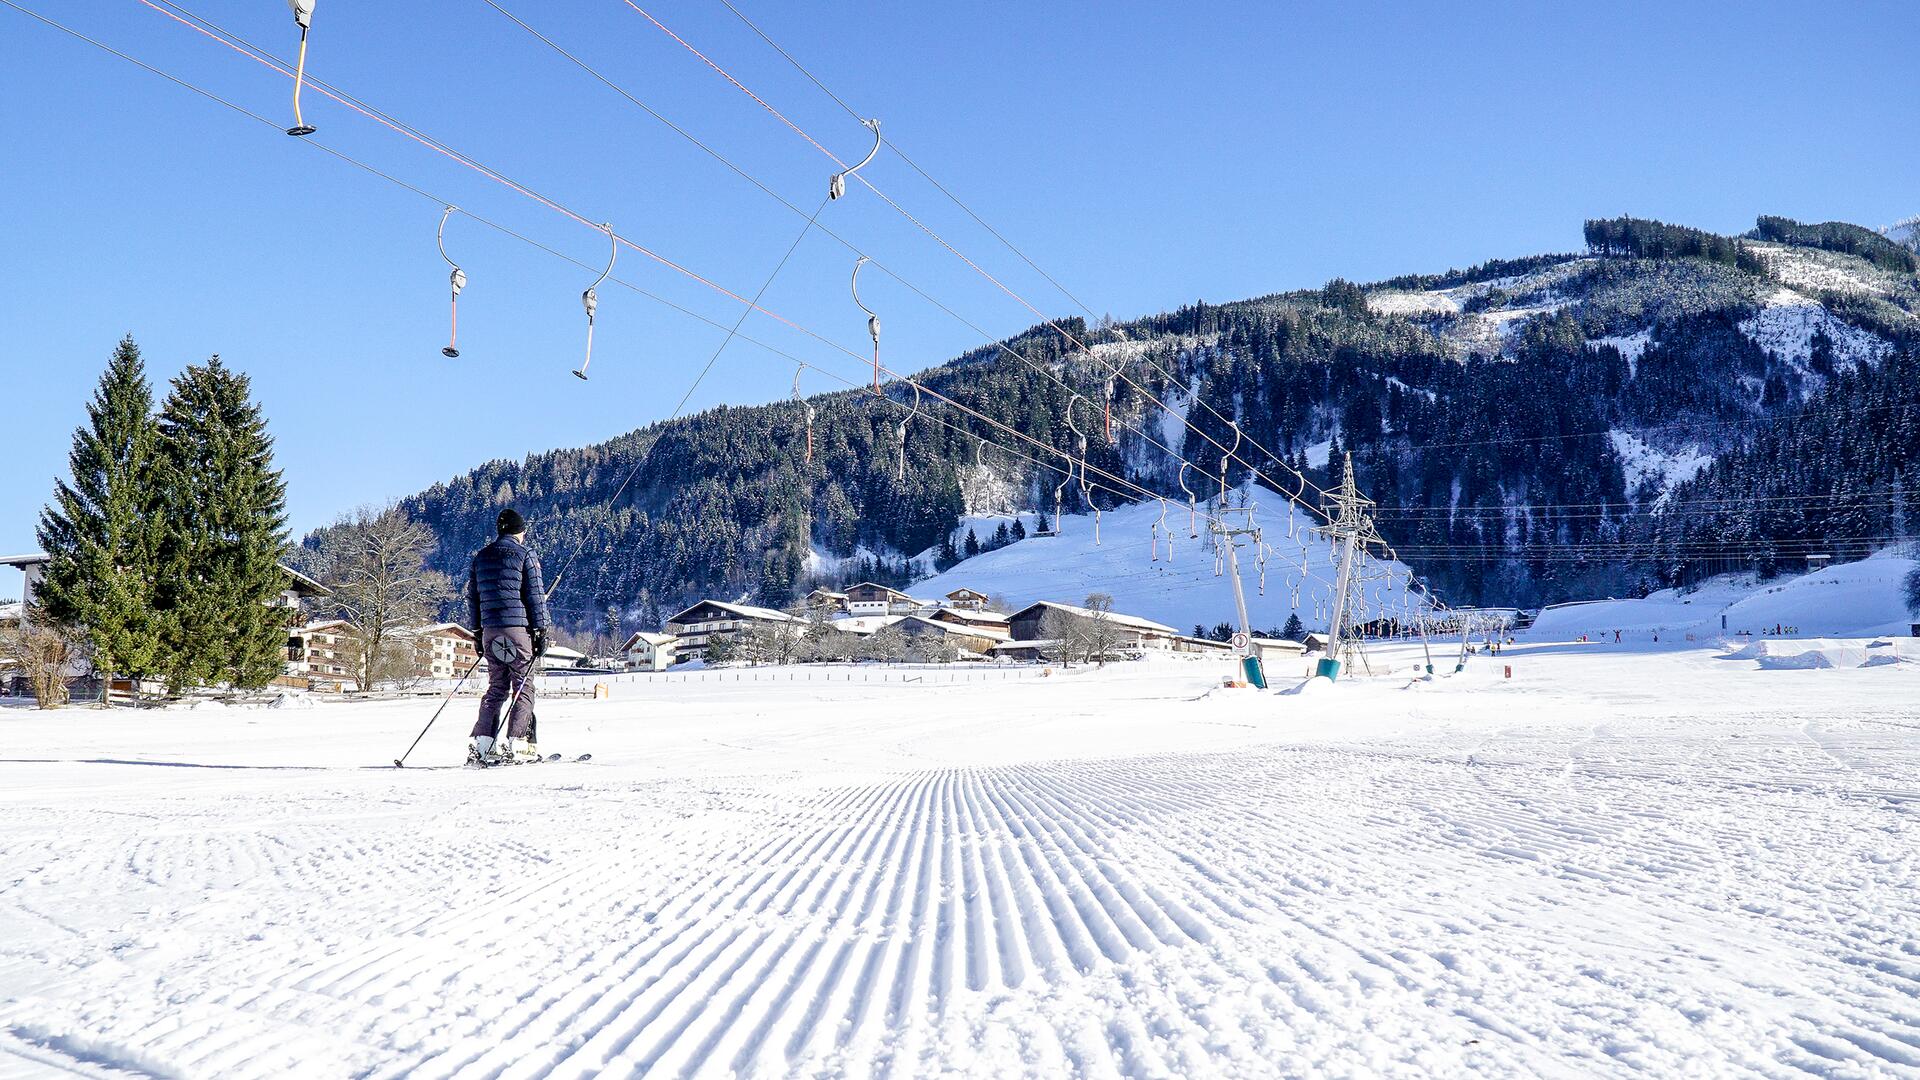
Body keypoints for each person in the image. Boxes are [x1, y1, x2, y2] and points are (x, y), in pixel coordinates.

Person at [467, 508, 550, 765]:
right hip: (517, 631)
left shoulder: (481, 557)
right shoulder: (525, 554)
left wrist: (478, 633)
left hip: (490, 631)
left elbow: (473, 598)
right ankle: (519, 743)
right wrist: (541, 630)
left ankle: (482, 744)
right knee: (523, 686)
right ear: (519, 531)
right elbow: (534, 596)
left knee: (496, 687)